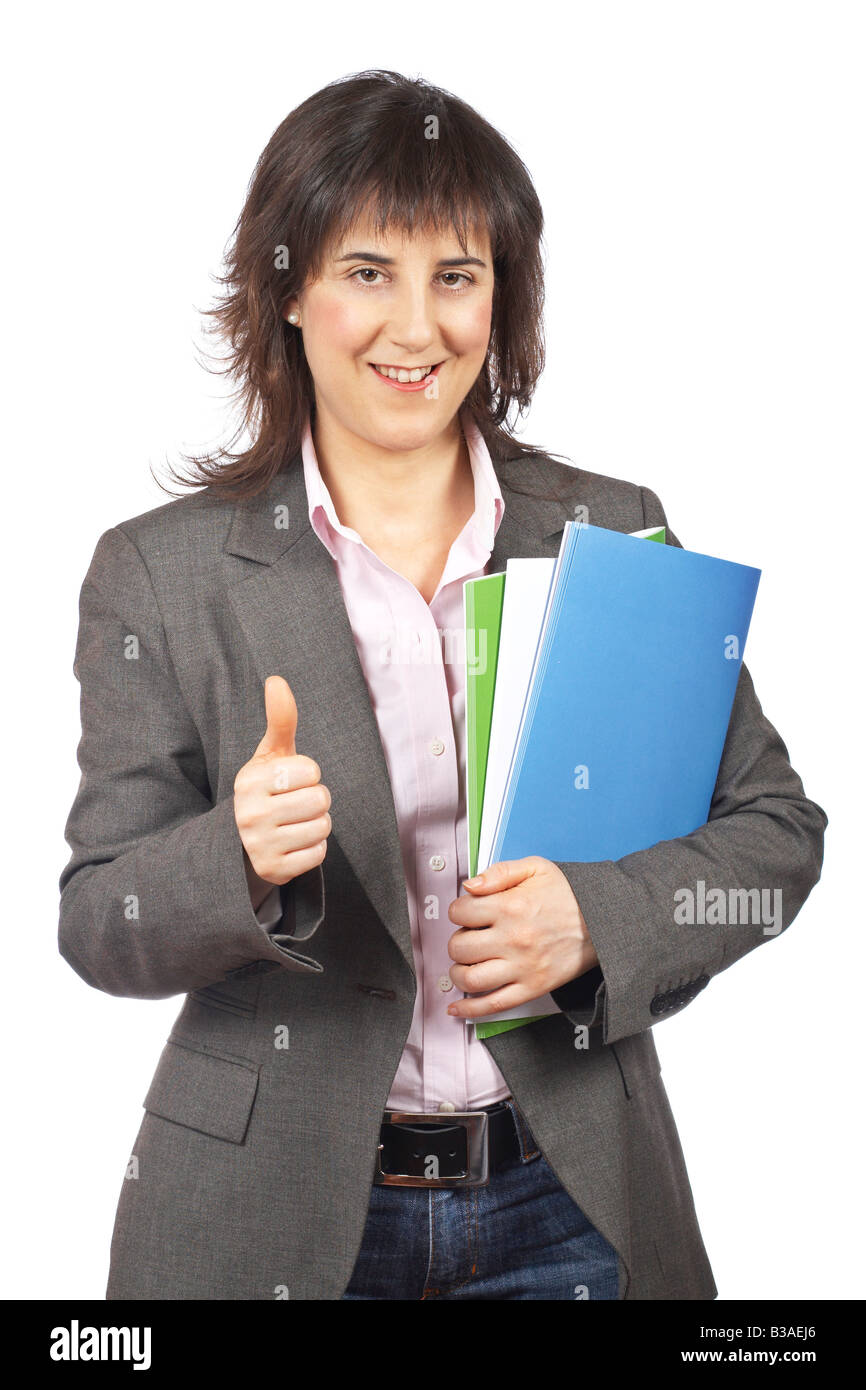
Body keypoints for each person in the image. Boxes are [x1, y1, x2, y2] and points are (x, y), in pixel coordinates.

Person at [58, 69, 827, 1301]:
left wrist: (597, 915)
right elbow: (100, 916)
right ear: (289, 287)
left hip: (570, 1199)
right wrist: (236, 856)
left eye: (455, 277)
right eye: (368, 271)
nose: (415, 329)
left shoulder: (611, 536)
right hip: (273, 1216)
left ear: (498, 299)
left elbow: (775, 836)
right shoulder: (161, 571)